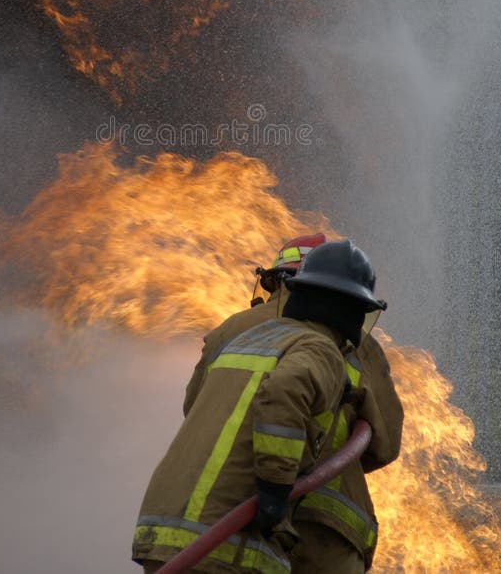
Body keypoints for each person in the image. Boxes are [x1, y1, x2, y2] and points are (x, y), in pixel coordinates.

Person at [131, 239, 388, 574]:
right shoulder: (320, 348)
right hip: (228, 538)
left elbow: (193, 406)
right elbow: (284, 396)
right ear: (348, 308)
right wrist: (274, 489)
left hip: (167, 525)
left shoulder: (247, 336)